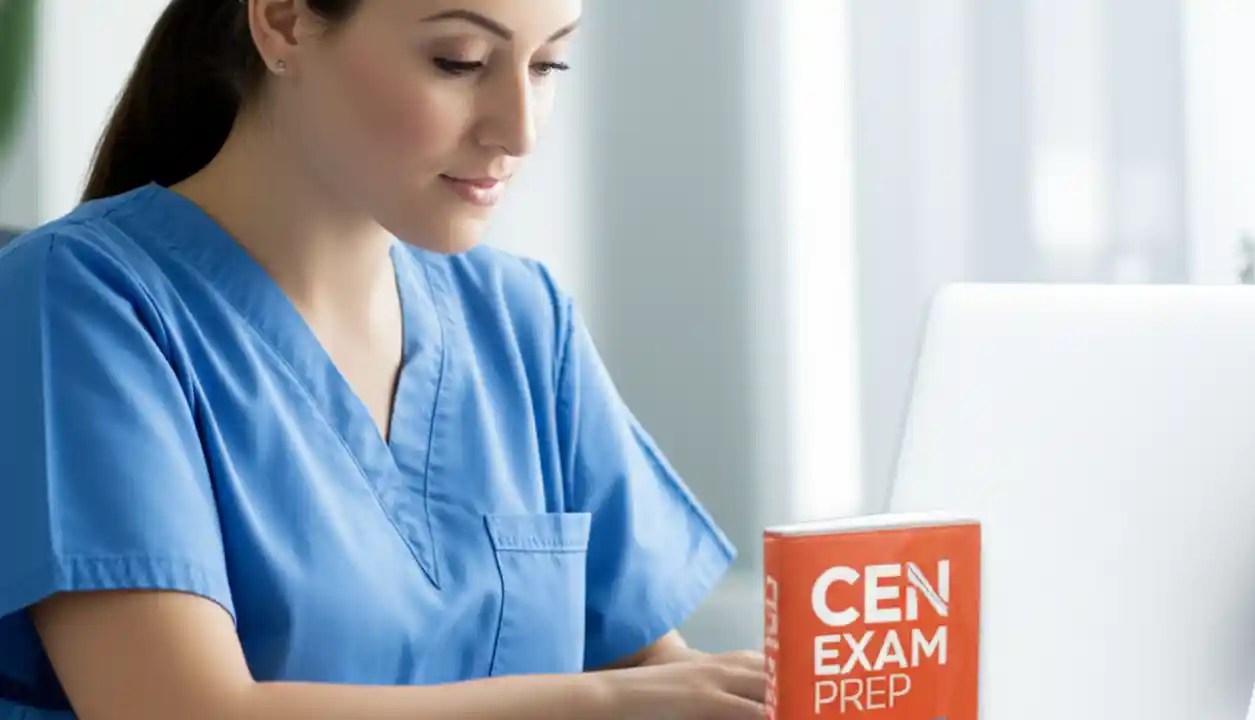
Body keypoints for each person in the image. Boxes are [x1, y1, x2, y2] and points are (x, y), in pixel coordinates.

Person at [0, 1, 766, 718]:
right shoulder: (81, 298)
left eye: (547, 67)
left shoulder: (522, 319)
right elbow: (178, 708)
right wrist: (598, 703)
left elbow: (657, 671)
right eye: (459, 61)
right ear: (283, 22)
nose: (521, 131)